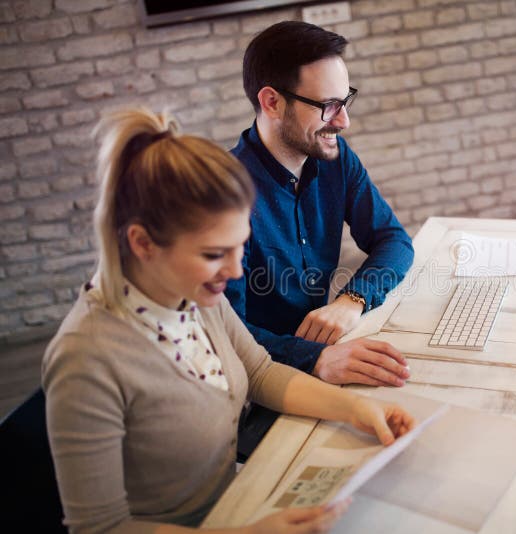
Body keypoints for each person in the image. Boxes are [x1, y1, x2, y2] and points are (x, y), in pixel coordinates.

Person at [42, 108, 415, 534]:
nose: (236, 271)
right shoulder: (85, 359)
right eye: (214, 254)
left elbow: (258, 370)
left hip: (235, 501)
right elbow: (101, 528)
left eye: (239, 247)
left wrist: (357, 408)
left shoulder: (190, 292)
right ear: (143, 243)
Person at [225, 21, 414, 389]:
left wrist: (352, 301)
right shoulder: (222, 194)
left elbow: (393, 240)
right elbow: (226, 332)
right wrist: (315, 359)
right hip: (255, 385)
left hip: (324, 361)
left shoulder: (336, 158)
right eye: (328, 106)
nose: (344, 121)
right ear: (272, 102)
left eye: (345, 101)